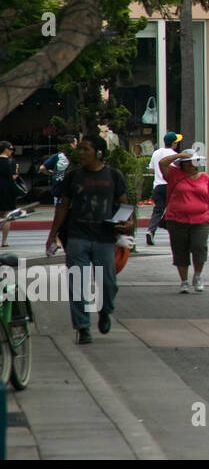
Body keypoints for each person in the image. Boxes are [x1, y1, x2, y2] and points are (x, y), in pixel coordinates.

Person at [45, 135, 132, 343]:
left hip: (104, 238)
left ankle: (105, 310)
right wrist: (52, 234)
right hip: (77, 237)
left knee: (108, 283)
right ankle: (83, 327)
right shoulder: (73, 176)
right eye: (80, 149)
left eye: (85, 149)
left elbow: (125, 205)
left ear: (99, 153)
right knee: (78, 283)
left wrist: (127, 223)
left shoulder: (114, 175)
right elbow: (63, 206)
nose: (80, 153)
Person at [159, 148, 209, 293]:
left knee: (199, 247)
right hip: (176, 219)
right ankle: (184, 281)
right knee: (180, 249)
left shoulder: (205, 178)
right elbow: (162, 163)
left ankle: (198, 275)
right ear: (181, 163)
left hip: (201, 219)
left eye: (192, 161)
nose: (190, 165)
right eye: (186, 162)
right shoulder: (174, 175)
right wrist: (180, 155)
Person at [144, 131, 182, 247]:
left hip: (157, 186)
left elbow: (151, 169)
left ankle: (151, 230)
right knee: (175, 209)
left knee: (158, 210)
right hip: (169, 186)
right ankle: (166, 225)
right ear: (174, 143)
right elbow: (178, 170)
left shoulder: (156, 153)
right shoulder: (173, 155)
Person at [0, 140, 20, 248]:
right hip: (7, 190)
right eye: (11, 149)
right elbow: (14, 176)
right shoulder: (11, 162)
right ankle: (4, 241)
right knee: (7, 215)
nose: (12, 151)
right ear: (6, 149)